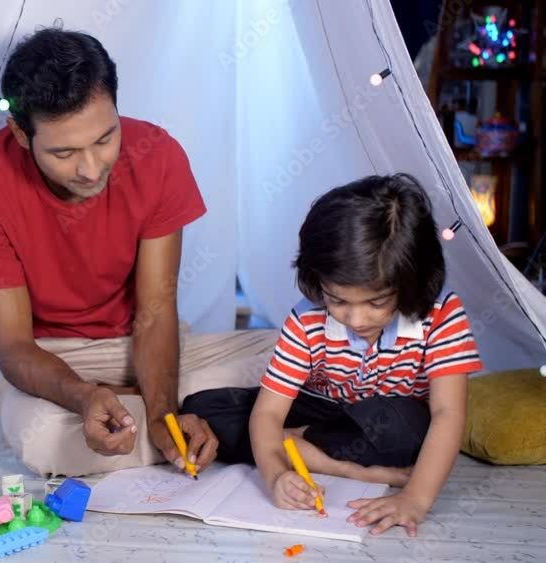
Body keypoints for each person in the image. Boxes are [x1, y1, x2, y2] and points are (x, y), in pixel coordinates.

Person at [0, 28, 277, 478]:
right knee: (43, 440)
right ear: (20, 134)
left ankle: (153, 408)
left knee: (292, 355)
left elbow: (156, 310)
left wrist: (159, 414)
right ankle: (214, 414)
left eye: (104, 139)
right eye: (64, 152)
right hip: (51, 357)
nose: (90, 168)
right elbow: (13, 347)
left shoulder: (157, 155)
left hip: (143, 346)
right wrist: (84, 395)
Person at [182, 173, 483, 536]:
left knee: (402, 426)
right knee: (204, 408)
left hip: (385, 416)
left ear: (413, 282)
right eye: (338, 300)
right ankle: (339, 465)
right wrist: (276, 475)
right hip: (326, 410)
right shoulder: (307, 317)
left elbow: (448, 413)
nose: (356, 319)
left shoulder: (442, 314)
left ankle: (295, 445)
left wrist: (415, 499)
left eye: (376, 302)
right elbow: (268, 411)